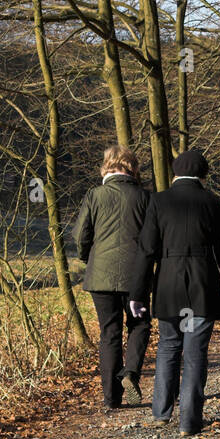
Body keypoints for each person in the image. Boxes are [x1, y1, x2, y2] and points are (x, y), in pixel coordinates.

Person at [127, 149, 220, 436]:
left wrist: (137, 294)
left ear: (175, 173)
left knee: (168, 346)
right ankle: (189, 421)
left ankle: (160, 411)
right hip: (203, 286)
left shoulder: (158, 201)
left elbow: (146, 251)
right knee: (194, 353)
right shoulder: (213, 202)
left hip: (167, 284)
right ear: (203, 174)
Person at [73, 145, 151, 409]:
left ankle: (111, 398)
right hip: (136, 274)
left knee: (109, 333)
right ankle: (130, 372)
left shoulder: (94, 195)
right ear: (133, 168)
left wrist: (87, 257)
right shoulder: (144, 197)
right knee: (139, 325)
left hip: (100, 275)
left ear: (106, 167)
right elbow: (153, 239)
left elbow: (80, 234)